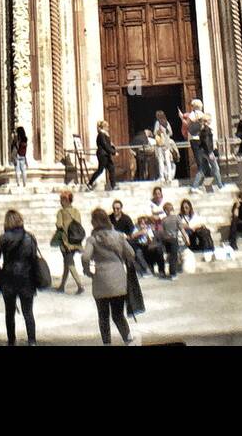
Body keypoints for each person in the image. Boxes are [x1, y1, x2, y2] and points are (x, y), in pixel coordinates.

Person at [82, 206, 137, 345]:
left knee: (103, 316)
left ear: (94, 222)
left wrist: (87, 271)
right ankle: (128, 340)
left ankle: (107, 343)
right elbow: (131, 253)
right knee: (119, 315)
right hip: (118, 278)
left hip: (101, 279)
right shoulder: (118, 236)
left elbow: (85, 257)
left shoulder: (92, 239)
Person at [0, 208, 39, 346]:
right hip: (27, 278)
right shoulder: (30, 237)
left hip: (9, 279)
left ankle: (11, 341)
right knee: (28, 313)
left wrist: (1, 274)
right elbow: (34, 259)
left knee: (9, 313)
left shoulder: (4, 238)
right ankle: (32, 341)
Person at [55, 190, 85, 294]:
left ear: (65, 200)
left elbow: (59, 226)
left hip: (66, 242)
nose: (60, 201)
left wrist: (64, 241)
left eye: (61, 199)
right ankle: (62, 286)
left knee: (69, 263)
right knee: (66, 263)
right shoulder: (76, 211)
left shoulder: (61, 212)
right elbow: (79, 224)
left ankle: (80, 285)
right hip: (76, 241)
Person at [191, 114, 224, 191]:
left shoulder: (202, 129)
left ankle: (195, 187)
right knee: (215, 168)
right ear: (207, 121)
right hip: (207, 151)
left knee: (202, 169)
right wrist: (210, 152)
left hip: (202, 151)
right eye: (210, 120)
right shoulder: (206, 129)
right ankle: (220, 185)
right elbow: (206, 141)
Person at [157, 201, 189, 277]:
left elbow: (161, 231)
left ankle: (164, 271)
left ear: (165, 210)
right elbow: (181, 229)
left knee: (169, 255)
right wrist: (186, 238)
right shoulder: (177, 218)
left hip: (165, 240)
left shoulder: (163, 220)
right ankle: (173, 273)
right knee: (173, 256)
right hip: (173, 238)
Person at [87, 120, 117, 191]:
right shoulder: (101, 134)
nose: (108, 128)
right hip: (102, 155)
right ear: (104, 127)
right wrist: (113, 152)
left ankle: (113, 185)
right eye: (107, 126)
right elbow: (105, 145)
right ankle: (90, 183)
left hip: (106, 154)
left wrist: (112, 148)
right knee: (100, 170)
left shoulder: (105, 134)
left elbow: (108, 144)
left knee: (111, 168)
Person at [153, 110, 176, 184]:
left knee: (161, 161)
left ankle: (162, 177)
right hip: (167, 145)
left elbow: (155, 132)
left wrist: (159, 131)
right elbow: (171, 133)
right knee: (168, 161)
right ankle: (170, 177)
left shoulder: (157, 123)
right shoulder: (167, 123)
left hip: (160, 145)